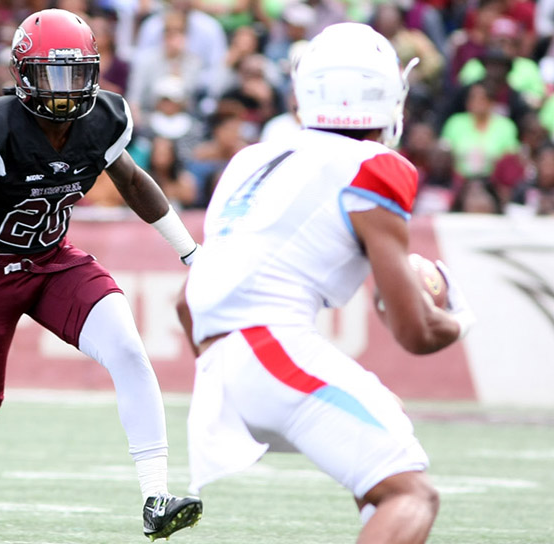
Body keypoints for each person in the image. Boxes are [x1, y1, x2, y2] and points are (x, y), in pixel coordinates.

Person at [0, 9, 203, 542]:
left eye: (77, 75)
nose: (66, 91)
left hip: (53, 261)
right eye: (52, 75)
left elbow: (135, 183)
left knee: (128, 350)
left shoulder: (104, 118)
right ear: (23, 75)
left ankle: (154, 496)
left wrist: (192, 254)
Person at [178, 23, 475, 543]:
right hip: (267, 349)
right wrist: (458, 317)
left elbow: (187, 301)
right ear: (390, 95)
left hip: (219, 365)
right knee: (413, 494)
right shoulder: (376, 165)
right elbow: (416, 334)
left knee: (384, 458)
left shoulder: (251, 159)